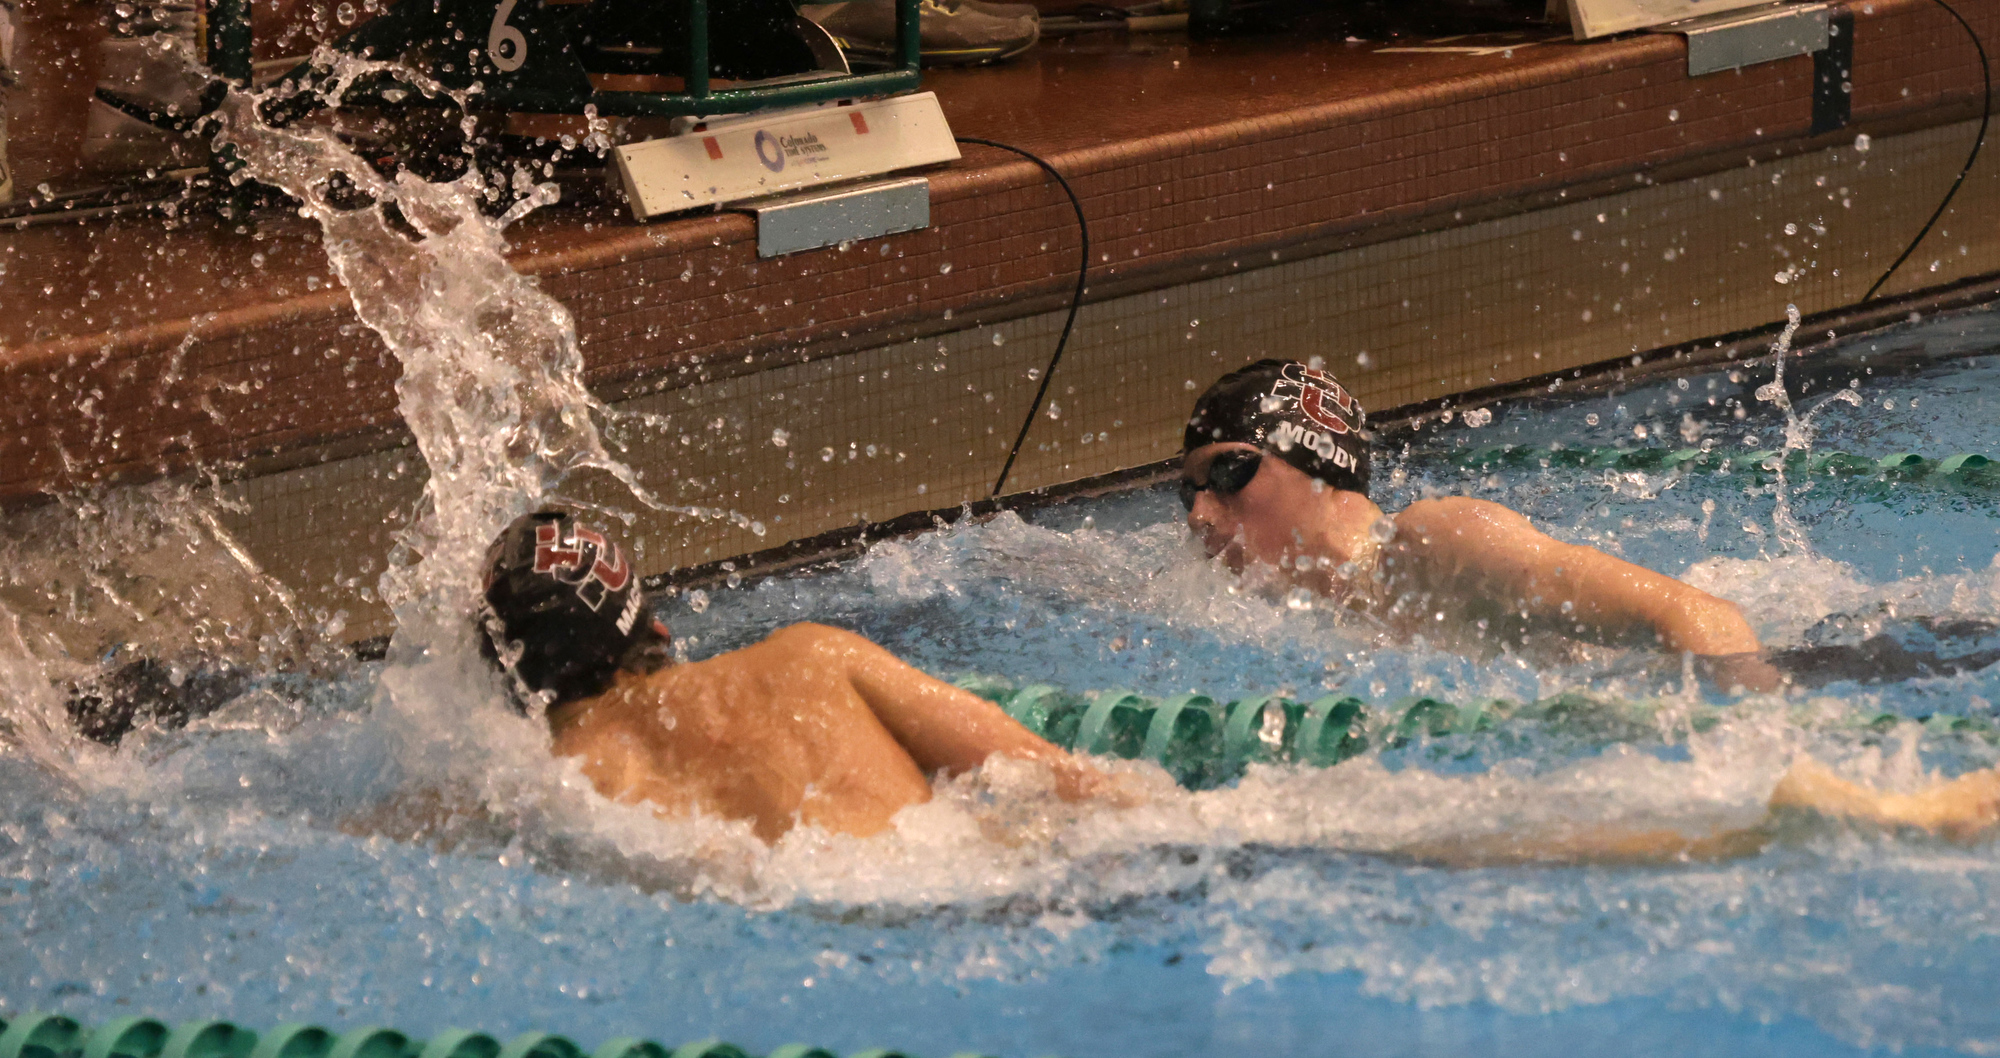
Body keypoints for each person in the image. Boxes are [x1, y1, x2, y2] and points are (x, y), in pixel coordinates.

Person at [479, 508, 1117, 843]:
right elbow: (1053, 776)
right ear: (657, 629)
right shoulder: (811, 658)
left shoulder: (543, 792)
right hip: (965, 888)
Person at [1180, 359, 1785, 691]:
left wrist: (1755, 744)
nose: (1200, 514)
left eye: (1229, 471)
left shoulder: (1436, 545)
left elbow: (1694, 612)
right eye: (1190, 490)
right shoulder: (1314, 623)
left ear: (1319, 466)